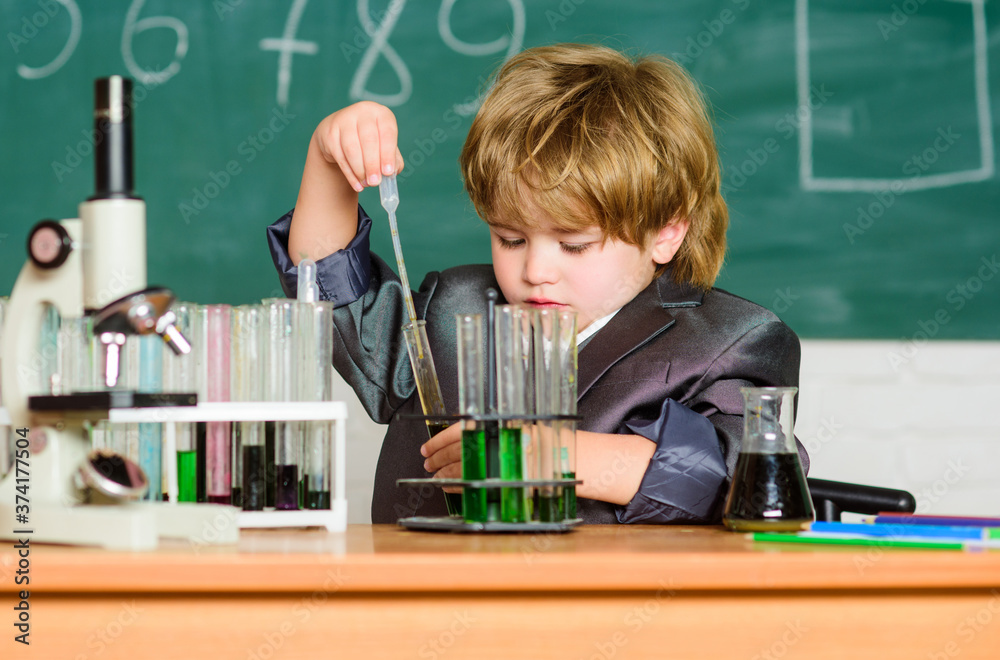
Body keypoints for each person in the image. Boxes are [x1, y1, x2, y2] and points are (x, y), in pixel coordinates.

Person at [267, 43, 806, 524]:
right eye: (509, 239)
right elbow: (330, 290)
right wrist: (327, 163)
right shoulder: (452, 311)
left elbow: (743, 475)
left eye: (574, 245)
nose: (536, 271)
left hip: (603, 624)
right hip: (425, 611)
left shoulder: (732, 342)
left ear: (666, 232)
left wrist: (558, 457)